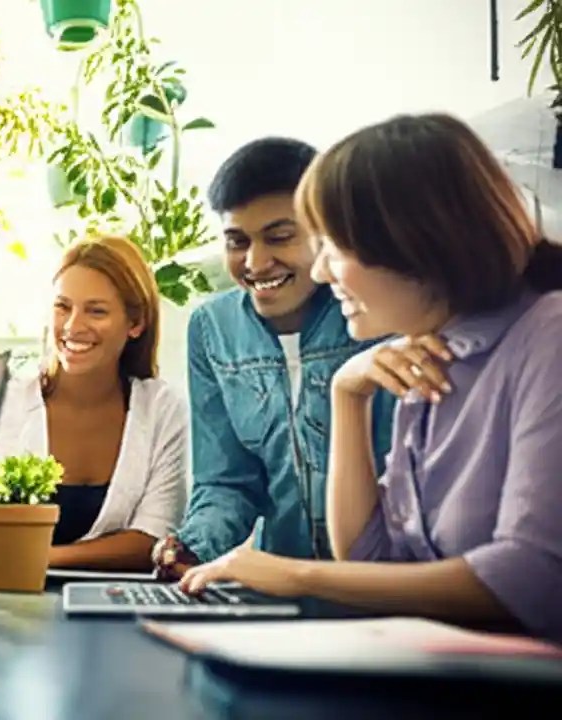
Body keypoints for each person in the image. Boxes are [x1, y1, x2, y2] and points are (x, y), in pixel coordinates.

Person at [178, 113, 562, 643]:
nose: (320, 271)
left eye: (333, 246)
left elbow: (533, 577)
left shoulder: (549, 335)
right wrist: (346, 393)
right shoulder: (428, 357)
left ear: (408, 242)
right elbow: (372, 558)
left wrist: (296, 576)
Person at [152, 138, 394, 578]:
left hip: (387, 589)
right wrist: (192, 546)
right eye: (237, 241)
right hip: (276, 594)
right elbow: (226, 482)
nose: (256, 261)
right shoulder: (212, 330)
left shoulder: (375, 315)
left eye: (279, 237)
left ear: (327, 233)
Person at [0, 235, 188, 571]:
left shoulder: (161, 410)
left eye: (96, 311)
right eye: (62, 306)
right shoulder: (5, 404)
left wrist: (37, 559)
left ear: (135, 323)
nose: (72, 326)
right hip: (7, 601)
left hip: (116, 610)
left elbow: (152, 539)